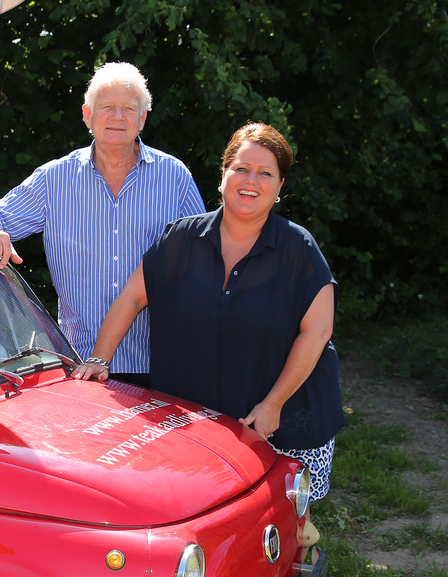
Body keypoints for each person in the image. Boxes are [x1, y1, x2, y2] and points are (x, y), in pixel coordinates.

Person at [75, 123, 344, 499]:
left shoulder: (298, 248)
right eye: (241, 168)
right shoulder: (180, 239)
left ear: (280, 187)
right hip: (195, 421)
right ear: (223, 175)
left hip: (279, 418)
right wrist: (99, 359)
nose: (251, 180)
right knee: (201, 510)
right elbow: (132, 298)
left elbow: (317, 331)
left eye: (265, 173)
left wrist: (273, 404)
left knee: (286, 526)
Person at [0, 61, 205, 386]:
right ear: (87, 115)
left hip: (161, 361)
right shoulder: (55, 180)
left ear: (143, 118)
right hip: (79, 364)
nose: (118, 117)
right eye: (107, 107)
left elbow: (205, 259)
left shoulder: (175, 177)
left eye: (128, 108)